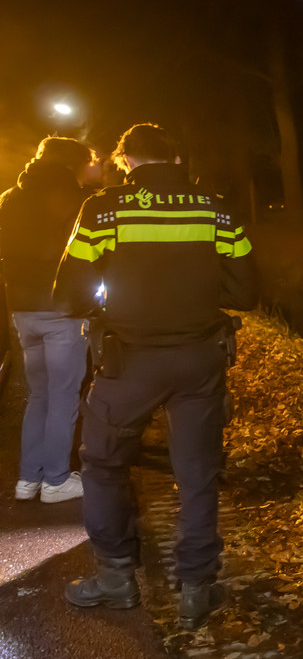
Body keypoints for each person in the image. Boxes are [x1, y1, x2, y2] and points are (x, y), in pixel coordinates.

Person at [53, 123, 258, 629]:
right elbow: (245, 290)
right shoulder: (215, 208)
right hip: (199, 359)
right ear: (176, 158)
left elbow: (69, 291)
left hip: (129, 362)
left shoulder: (103, 209)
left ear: (126, 161)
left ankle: (117, 579)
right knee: (197, 472)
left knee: (102, 463)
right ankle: (196, 588)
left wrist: (109, 302)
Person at [0, 137, 100, 503]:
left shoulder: (9, 197)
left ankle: (29, 479)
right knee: (63, 395)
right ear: (73, 163)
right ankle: (57, 480)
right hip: (63, 311)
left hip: (22, 310)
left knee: (38, 395)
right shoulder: (78, 200)